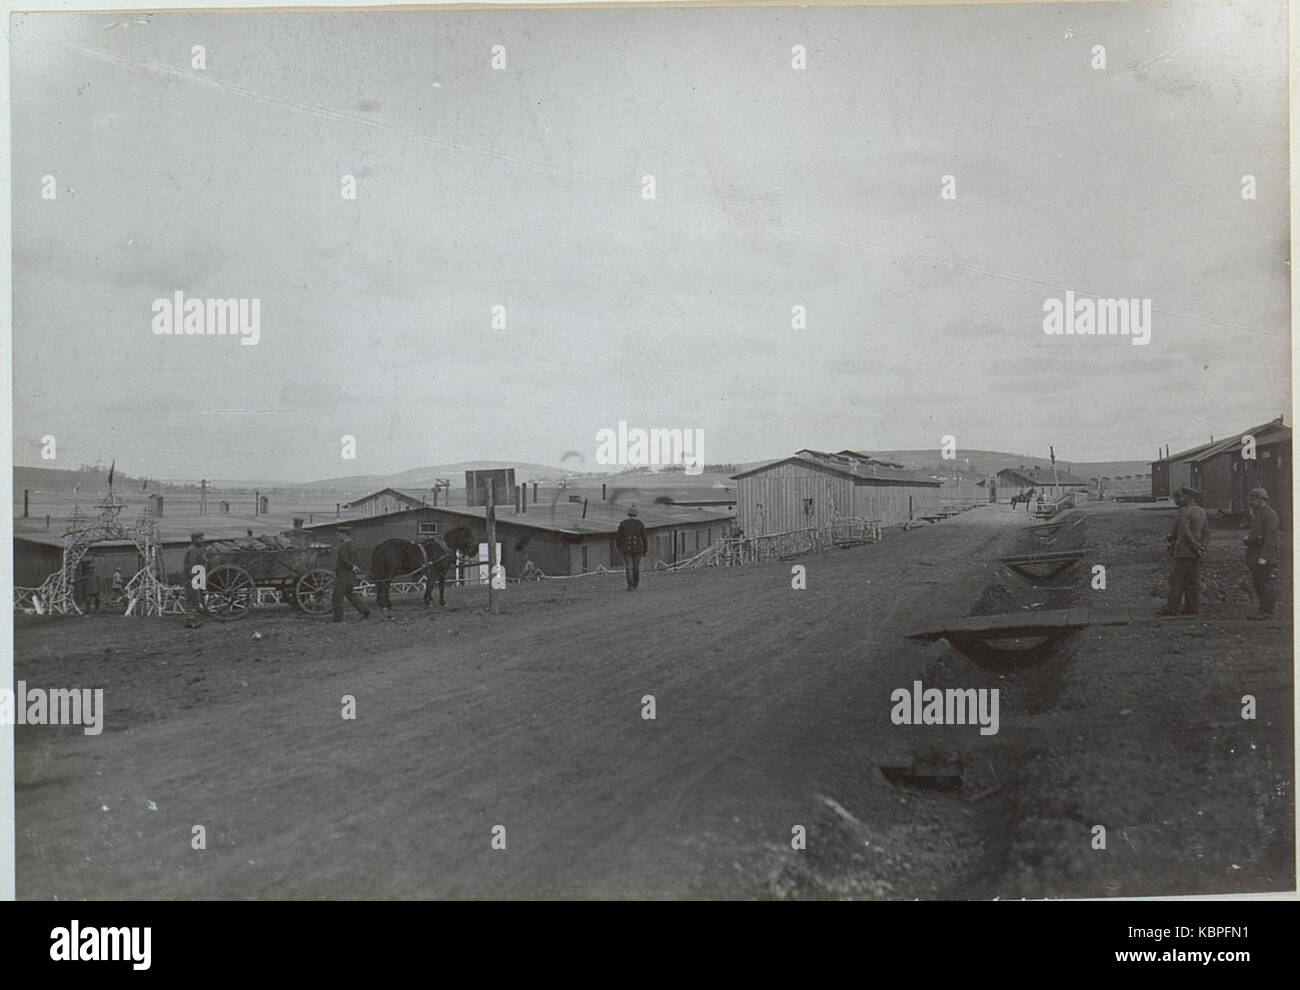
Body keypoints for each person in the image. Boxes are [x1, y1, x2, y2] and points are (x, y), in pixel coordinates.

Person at [1157, 487, 1210, 616]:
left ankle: (1172, 608)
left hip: (1184, 552)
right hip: (1196, 553)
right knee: (1192, 581)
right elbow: (1206, 532)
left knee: (1176, 579)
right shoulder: (1202, 512)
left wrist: (1195, 546)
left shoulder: (1186, 512)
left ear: (1189, 498)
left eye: (1183, 496)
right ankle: (1192, 607)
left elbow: (1186, 533)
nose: (1181, 499)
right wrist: (1202, 547)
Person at [1244, 487, 1280, 619]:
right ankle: (1262, 609)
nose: (1251, 502)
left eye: (1253, 499)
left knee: (1266, 582)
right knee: (1258, 582)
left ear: (1261, 500)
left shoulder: (1270, 515)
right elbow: (1256, 534)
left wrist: (1264, 557)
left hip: (1265, 556)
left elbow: (1270, 538)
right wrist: (1248, 540)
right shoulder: (1258, 514)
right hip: (1255, 555)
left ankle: (1267, 611)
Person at [332, 527, 371, 621]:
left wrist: (351, 566)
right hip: (350, 575)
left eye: (339, 535)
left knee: (337, 595)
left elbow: (344, 559)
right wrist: (354, 567)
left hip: (343, 575)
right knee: (350, 594)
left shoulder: (344, 546)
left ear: (344, 535)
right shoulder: (352, 546)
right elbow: (356, 560)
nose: (338, 537)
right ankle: (365, 611)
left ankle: (338, 618)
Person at [615, 505, 649, 591]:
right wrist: (645, 550)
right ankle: (636, 583)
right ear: (636, 514)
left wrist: (620, 548)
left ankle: (630, 585)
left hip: (626, 549)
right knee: (636, 567)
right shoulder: (640, 524)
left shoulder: (623, 524)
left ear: (628, 514)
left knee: (628, 567)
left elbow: (618, 538)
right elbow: (644, 538)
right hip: (638, 549)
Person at [183, 532, 207, 628]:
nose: (203, 541)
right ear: (194, 540)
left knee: (195, 599)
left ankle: (191, 619)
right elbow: (193, 567)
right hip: (193, 578)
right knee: (193, 600)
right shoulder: (193, 551)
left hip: (195, 577)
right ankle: (191, 622)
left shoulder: (197, 549)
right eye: (201, 539)